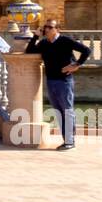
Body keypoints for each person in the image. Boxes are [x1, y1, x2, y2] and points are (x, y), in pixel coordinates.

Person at [25, 18, 91, 151]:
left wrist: (76, 65)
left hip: (64, 81)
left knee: (67, 110)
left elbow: (86, 51)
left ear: (57, 29)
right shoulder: (44, 43)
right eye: (45, 27)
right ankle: (66, 140)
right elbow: (29, 51)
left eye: (50, 27)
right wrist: (35, 36)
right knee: (58, 111)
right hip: (51, 81)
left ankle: (70, 141)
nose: (47, 29)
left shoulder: (65, 41)